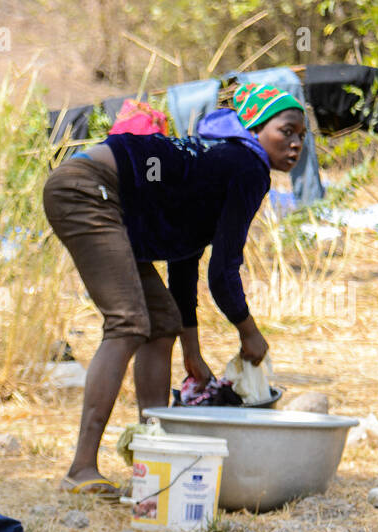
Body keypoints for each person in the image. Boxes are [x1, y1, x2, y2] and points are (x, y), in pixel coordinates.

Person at [43, 83, 306, 493]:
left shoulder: (219, 161)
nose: (295, 144)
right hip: (89, 190)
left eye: (302, 137)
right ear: (255, 129)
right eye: (286, 130)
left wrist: (192, 352)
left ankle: (154, 458)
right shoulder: (247, 166)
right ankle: (80, 469)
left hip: (110, 199)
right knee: (128, 322)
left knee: (161, 321)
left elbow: (186, 259)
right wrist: (249, 332)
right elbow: (224, 270)